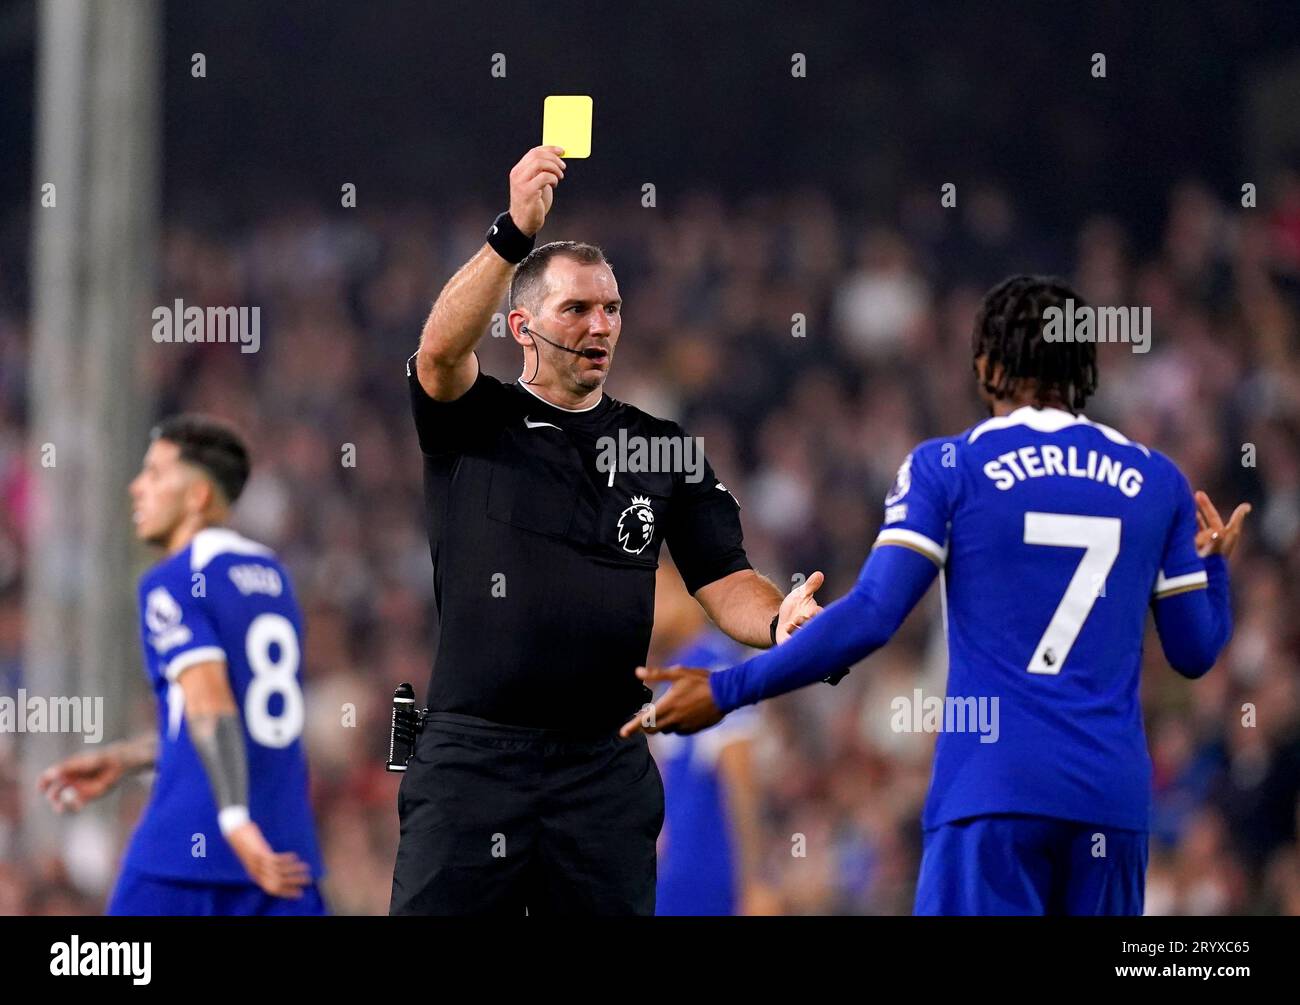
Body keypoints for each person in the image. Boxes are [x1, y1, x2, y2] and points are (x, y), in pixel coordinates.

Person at [623, 274, 1251, 916]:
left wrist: (729, 689)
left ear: (986, 366)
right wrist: (1217, 572)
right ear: (1085, 365)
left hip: (993, 792)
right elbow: (1196, 651)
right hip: (1111, 805)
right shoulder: (1157, 481)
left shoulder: (949, 467)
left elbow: (873, 615)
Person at [390, 145, 824, 915]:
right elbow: (438, 351)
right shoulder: (477, 420)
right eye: (578, 310)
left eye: (612, 309)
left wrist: (779, 619)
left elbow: (723, 575)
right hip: (471, 761)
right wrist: (512, 233)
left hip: (602, 766)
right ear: (522, 325)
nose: (601, 326)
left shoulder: (661, 446)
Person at [37, 415, 326, 915]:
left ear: (197, 497)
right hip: (283, 855)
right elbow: (242, 718)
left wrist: (233, 821)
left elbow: (211, 703)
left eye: (154, 473)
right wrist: (129, 758)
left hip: (189, 854)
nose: (136, 488)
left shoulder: (173, 580)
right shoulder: (274, 578)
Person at [648, 563, 777, 916]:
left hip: (712, 882)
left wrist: (755, 882)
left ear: (690, 596)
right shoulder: (671, 678)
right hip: (675, 880)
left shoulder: (715, 671)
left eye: (658, 593)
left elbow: (740, 776)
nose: (648, 608)